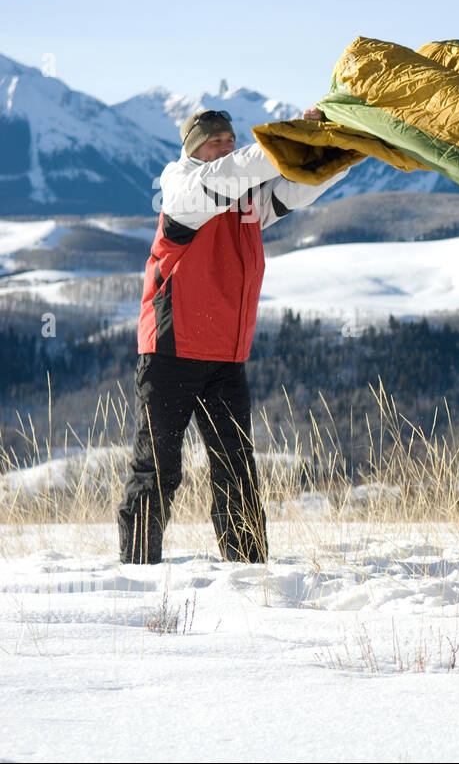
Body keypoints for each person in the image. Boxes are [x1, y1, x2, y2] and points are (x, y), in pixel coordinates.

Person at [117, 107, 347, 564]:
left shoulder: (243, 201)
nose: (226, 145)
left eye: (230, 138)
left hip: (225, 357)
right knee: (159, 466)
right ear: (193, 149)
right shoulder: (184, 190)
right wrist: (286, 137)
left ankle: (247, 569)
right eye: (215, 140)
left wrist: (339, 145)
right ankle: (139, 570)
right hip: (172, 351)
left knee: (236, 468)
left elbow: (300, 186)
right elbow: (236, 170)